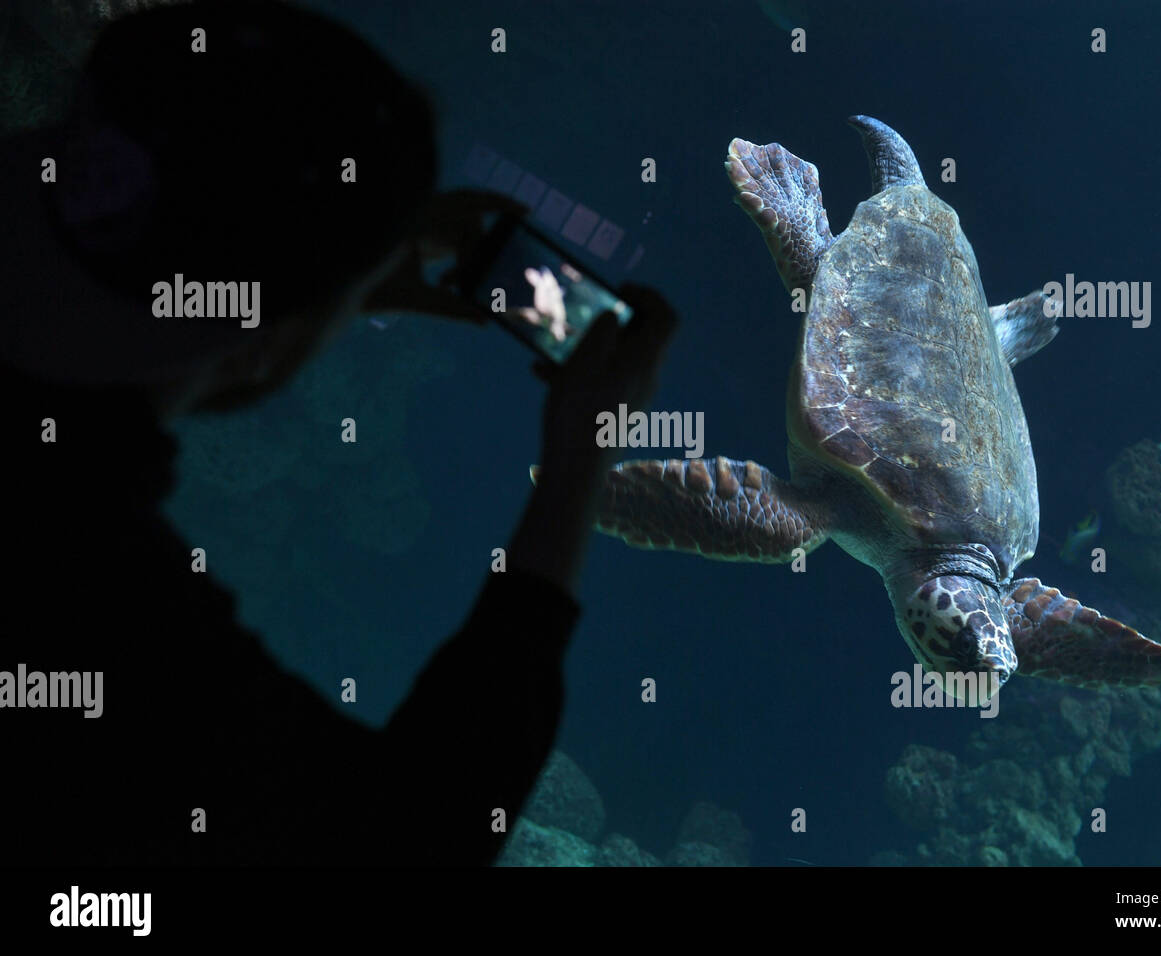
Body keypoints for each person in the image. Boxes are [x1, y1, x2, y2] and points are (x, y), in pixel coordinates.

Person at [0, 0, 675, 865]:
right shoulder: (94, 597)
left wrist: (318, 295)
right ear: (262, 349)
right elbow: (413, 833)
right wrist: (581, 459)